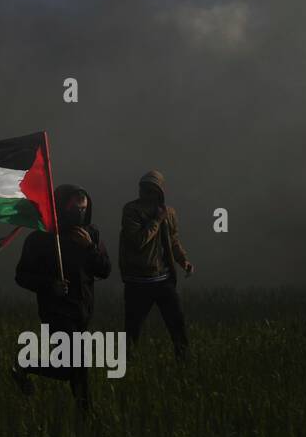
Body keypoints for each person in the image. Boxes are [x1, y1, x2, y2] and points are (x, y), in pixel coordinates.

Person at [11, 184, 111, 412]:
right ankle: (84, 415)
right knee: (74, 366)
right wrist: (50, 285)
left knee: (73, 368)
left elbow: (105, 270)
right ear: (61, 207)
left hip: (83, 310)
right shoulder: (40, 238)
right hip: (55, 310)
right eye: (75, 208)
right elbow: (21, 275)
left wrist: (90, 248)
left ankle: (83, 416)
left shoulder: (91, 234)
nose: (80, 213)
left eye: (84, 209)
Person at [119, 169, 193, 360]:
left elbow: (173, 240)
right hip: (138, 281)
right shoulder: (131, 211)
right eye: (144, 189)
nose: (146, 194)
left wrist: (183, 260)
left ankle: (183, 361)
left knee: (177, 324)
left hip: (164, 280)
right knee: (132, 329)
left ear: (160, 192)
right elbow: (138, 241)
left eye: (152, 190)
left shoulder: (169, 213)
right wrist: (157, 220)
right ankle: (127, 364)